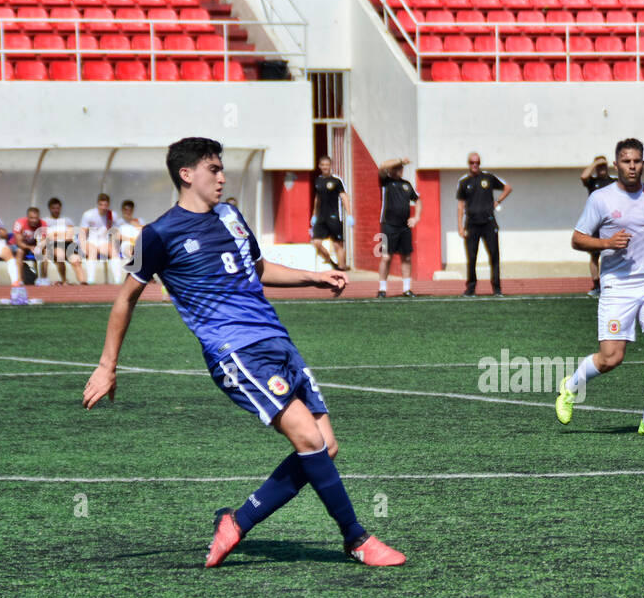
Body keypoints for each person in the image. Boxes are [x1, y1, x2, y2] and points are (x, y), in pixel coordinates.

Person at [81, 136, 405, 567]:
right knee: (307, 437)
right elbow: (126, 298)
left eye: (221, 168)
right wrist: (107, 367)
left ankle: (236, 521)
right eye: (213, 169)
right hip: (235, 351)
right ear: (186, 174)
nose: (221, 176)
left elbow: (258, 267)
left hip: (277, 340)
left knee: (325, 446)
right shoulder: (158, 235)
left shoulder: (230, 215)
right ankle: (357, 538)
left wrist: (314, 277)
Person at [558, 138, 644, 438]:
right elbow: (577, 239)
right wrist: (606, 243)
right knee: (611, 358)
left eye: (637, 161)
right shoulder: (600, 199)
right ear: (616, 165)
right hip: (617, 285)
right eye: (627, 161)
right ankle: (570, 387)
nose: (632, 166)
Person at [456, 152, 511, 296]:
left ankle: (497, 289)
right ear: (468, 164)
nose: (475, 165)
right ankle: (471, 288)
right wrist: (460, 227)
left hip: (489, 223)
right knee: (472, 257)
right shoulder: (464, 182)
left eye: (477, 162)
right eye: (472, 162)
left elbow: (507, 188)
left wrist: (497, 201)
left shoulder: (488, 177)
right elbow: (460, 205)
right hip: (472, 224)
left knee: (494, 255)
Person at [377, 156, 420, 298]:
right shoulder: (385, 181)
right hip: (388, 225)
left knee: (406, 257)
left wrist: (416, 217)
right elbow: (383, 165)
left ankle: (407, 289)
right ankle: (382, 289)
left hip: (404, 227)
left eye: (400, 168)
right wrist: (400, 161)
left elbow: (417, 200)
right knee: (386, 257)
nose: (399, 170)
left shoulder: (407, 184)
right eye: (396, 168)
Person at [579, 155, 615, 297]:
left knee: (614, 253)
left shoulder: (614, 182)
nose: (602, 169)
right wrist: (594, 163)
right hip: (596, 224)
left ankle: (613, 284)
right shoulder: (592, 182)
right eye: (599, 167)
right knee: (594, 256)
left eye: (603, 166)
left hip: (611, 223)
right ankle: (596, 286)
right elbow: (583, 176)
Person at [310, 155, 353, 272]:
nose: (325, 167)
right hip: (321, 217)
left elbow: (344, 197)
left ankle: (342, 267)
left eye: (327, 165)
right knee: (316, 243)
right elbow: (317, 198)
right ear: (319, 166)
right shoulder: (318, 181)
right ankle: (330, 261)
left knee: (337, 244)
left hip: (334, 216)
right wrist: (314, 214)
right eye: (323, 165)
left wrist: (349, 214)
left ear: (330, 166)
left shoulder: (336, 181)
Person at [40, 197, 82, 285]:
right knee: (56, 254)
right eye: (54, 208)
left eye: (58, 208)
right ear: (50, 209)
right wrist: (61, 234)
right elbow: (44, 238)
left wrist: (54, 235)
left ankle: (83, 283)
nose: (56, 210)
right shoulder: (44, 221)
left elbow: (70, 236)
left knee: (76, 261)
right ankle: (61, 280)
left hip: (67, 245)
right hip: (52, 246)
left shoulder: (67, 220)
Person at [80, 193, 119, 284]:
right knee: (92, 251)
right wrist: (83, 246)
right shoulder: (88, 214)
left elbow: (115, 232)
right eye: (101, 205)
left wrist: (114, 246)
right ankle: (91, 279)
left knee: (113, 252)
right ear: (97, 204)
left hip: (103, 241)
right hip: (91, 241)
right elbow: (82, 232)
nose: (103, 207)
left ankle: (117, 279)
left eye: (105, 205)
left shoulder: (112, 215)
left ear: (108, 205)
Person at [12, 207, 45, 284]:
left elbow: (43, 240)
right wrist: (30, 247)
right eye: (31, 218)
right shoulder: (20, 223)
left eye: (36, 218)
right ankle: (19, 279)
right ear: (27, 217)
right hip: (18, 245)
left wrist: (38, 248)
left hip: (33, 245)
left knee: (43, 251)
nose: (34, 220)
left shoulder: (43, 224)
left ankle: (41, 278)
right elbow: (18, 242)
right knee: (20, 251)